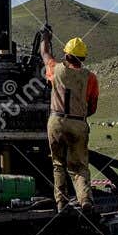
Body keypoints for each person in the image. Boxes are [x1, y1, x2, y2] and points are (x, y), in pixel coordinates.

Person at [40, 33, 99, 213]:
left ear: (66, 55)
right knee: (79, 166)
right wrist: (79, 115)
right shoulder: (90, 78)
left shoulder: (54, 69)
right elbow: (93, 107)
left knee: (58, 163)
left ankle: (61, 202)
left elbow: (44, 54)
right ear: (82, 58)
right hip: (78, 124)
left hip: (56, 121)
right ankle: (85, 199)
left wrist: (46, 39)